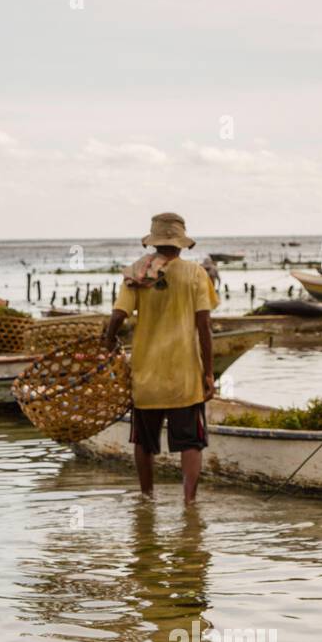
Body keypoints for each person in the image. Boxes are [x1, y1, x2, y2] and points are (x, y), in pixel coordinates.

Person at [102, 212, 215, 503]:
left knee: (144, 441)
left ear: (154, 242)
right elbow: (204, 327)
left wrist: (107, 342)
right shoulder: (195, 273)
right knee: (190, 442)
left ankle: (147, 496)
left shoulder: (136, 273)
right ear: (180, 244)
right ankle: (189, 502)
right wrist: (209, 373)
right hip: (184, 376)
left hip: (145, 375)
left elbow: (118, 315)